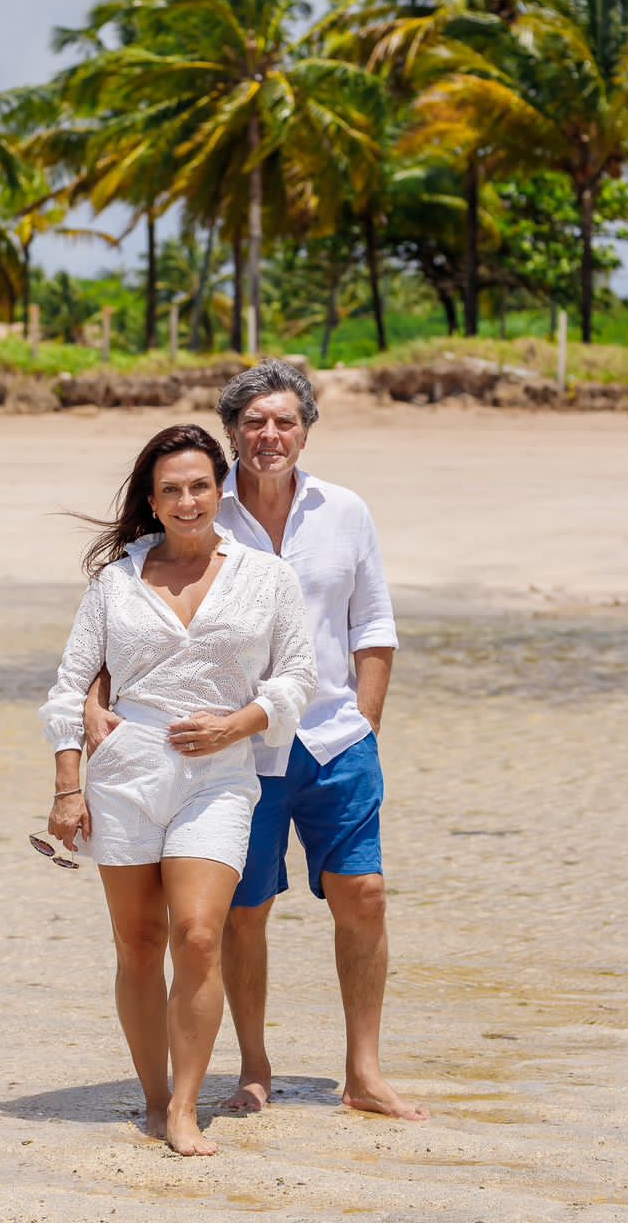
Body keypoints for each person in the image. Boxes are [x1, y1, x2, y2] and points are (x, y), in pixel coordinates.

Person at [86, 360, 427, 1123]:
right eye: (254, 423)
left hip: (336, 739)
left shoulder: (346, 512)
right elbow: (124, 625)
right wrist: (91, 711)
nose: (270, 436)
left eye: (285, 421)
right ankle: (254, 1066)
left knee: (364, 896)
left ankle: (365, 1072)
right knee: (244, 912)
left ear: (306, 428)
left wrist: (365, 723)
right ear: (233, 431)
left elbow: (373, 626)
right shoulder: (197, 501)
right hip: (236, 752)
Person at [39, 423, 316, 1157]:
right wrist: (69, 787)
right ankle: (155, 1100)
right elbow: (70, 690)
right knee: (138, 943)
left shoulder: (267, 577)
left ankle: (189, 1107)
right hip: (125, 775)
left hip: (219, 779)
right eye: (171, 490)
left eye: (199, 486)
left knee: (198, 934)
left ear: (220, 491)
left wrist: (241, 724)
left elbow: (296, 678)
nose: (187, 500)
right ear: (153, 501)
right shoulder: (116, 581)